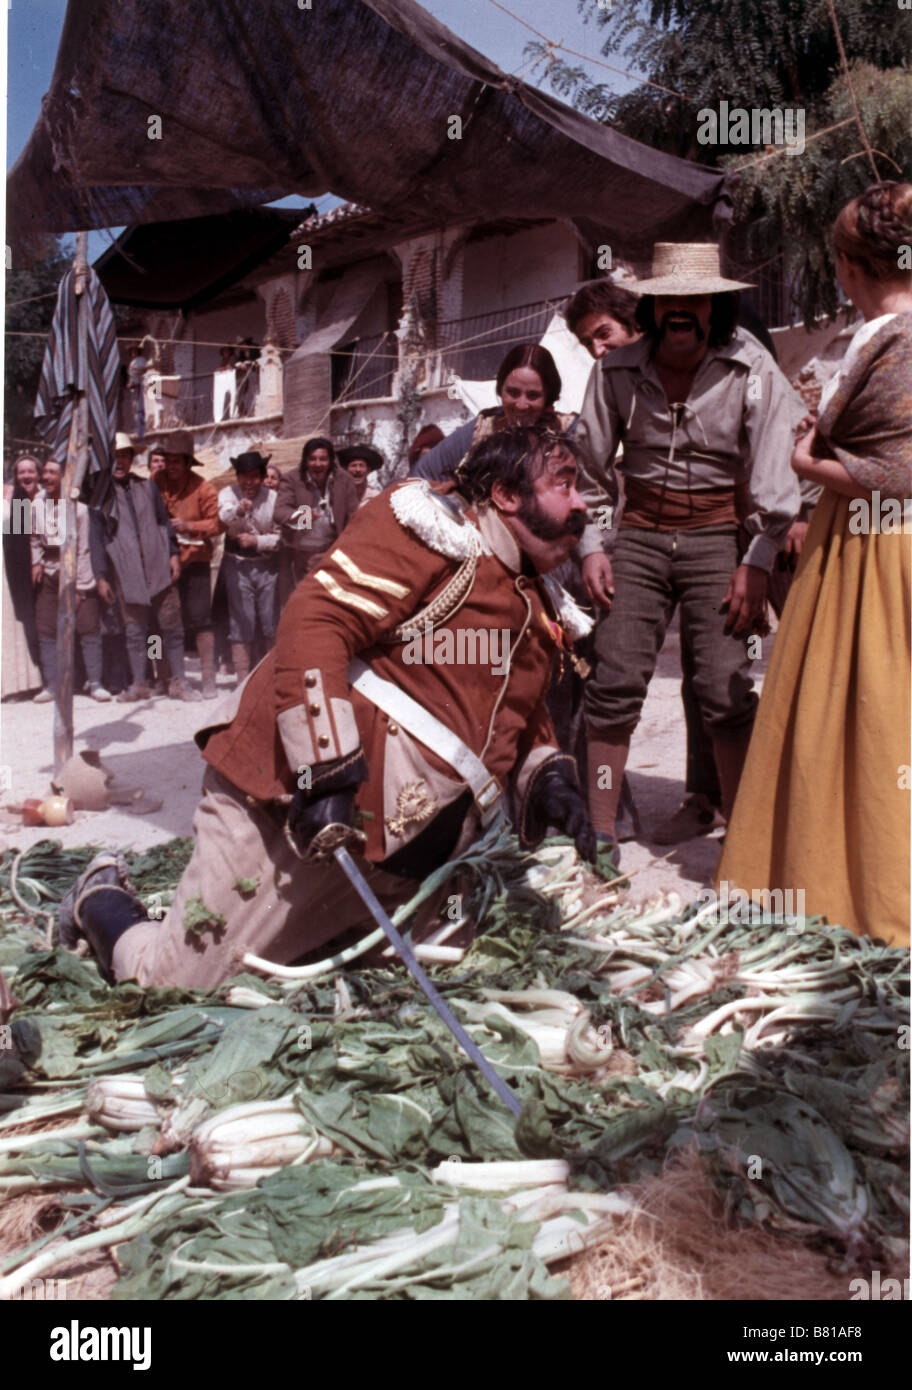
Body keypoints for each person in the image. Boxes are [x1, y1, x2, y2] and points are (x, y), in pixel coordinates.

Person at [58, 427, 598, 989]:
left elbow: (508, 707)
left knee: (406, 980)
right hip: (294, 814)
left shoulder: (536, 598)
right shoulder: (428, 525)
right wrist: (325, 770)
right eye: (564, 484)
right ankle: (98, 895)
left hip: (404, 857)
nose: (581, 504)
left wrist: (548, 774)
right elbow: (315, 619)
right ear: (507, 495)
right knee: (174, 984)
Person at [718, 181, 912, 947]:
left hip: (874, 550)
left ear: (847, 265)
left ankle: (865, 895)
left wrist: (805, 456)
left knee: (866, 714)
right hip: (879, 541)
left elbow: (898, 474)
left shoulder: (881, 338)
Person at [572, 243, 803, 853]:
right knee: (614, 679)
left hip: (719, 539)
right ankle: (599, 832)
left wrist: (755, 560)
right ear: (650, 309)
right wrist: (594, 545)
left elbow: (777, 475)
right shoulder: (616, 368)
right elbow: (587, 469)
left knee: (725, 687)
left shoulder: (752, 369)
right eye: (668, 301)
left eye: (694, 301)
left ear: (714, 308)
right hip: (640, 538)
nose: (681, 313)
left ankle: (746, 835)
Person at [91, 433, 194, 702]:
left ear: (131, 458)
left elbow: (163, 522)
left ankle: (177, 680)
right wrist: (101, 576)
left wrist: (173, 554)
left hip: (158, 565)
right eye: (115, 456)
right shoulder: (101, 496)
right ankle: (140, 682)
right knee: (137, 632)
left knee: (169, 626)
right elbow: (96, 539)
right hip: (127, 572)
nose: (120, 461)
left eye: (125, 455)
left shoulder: (147, 488)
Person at [412, 344, 573, 483]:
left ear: (548, 398)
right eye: (513, 392)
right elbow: (423, 472)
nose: (521, 405)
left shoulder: (570, 432)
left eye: (533, 396)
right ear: (500, 390)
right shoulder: (483, 429)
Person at [30, 458, 111, 703]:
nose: (47, 477)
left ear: (65, 478)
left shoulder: (80, 509)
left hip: (76, 571)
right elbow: (33, 538)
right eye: (45, 472)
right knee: (46, 628)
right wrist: (36, 562)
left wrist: (80, 585)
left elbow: (85, 549)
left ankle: (95, 683)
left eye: (53, 472)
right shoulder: (34, 504)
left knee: (88, 628)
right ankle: (52, 685)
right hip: (49, 570)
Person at [153, 431, 224, 699]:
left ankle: (208, 677)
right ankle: (162, 676)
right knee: (159, 623)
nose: (170, 467)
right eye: (167, 461)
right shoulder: (155, 482)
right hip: (162, 564)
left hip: (194, 562)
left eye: (176, 462)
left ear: (186, 463)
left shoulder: (203, 488)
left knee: (201, 618)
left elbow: (217, 524)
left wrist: (190, 525)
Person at [217, 450, 280, 686]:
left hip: (267, 565)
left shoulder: (274, 498)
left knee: (269, 621)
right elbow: (223, 516)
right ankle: (243, 681)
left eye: (254, 476)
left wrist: (258, 542)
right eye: (243, 476)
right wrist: (238, 511)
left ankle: (271, 677)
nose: (248, 482)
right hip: (237, 564)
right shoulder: (228, 493)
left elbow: (283, 536)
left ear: (262, 476)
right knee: (241, 621)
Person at [274, 436, 359, 605]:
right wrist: (304, 516)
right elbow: (279, 512)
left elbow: (353, 517)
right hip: (299, 553)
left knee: (330, 602)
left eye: (323, 459)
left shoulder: (344, 480)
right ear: (305, 461)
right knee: (301, 602)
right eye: (312, 459)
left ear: (330, 461)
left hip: (331, 551)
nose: (317, 464)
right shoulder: (291, 478)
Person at [2, 454, 44, 683]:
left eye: (30, 471)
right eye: (21, 472)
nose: (26, 476)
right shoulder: (15, 496)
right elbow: (18, 542)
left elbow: (20, 544)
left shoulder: (46, 497)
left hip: (39, 568)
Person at [339, 443, 384, 507]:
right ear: (345, 470)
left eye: (362, 465)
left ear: (368, 470)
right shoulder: (336, 496)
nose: (358, 470)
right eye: (353, 465)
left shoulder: (376, 497)